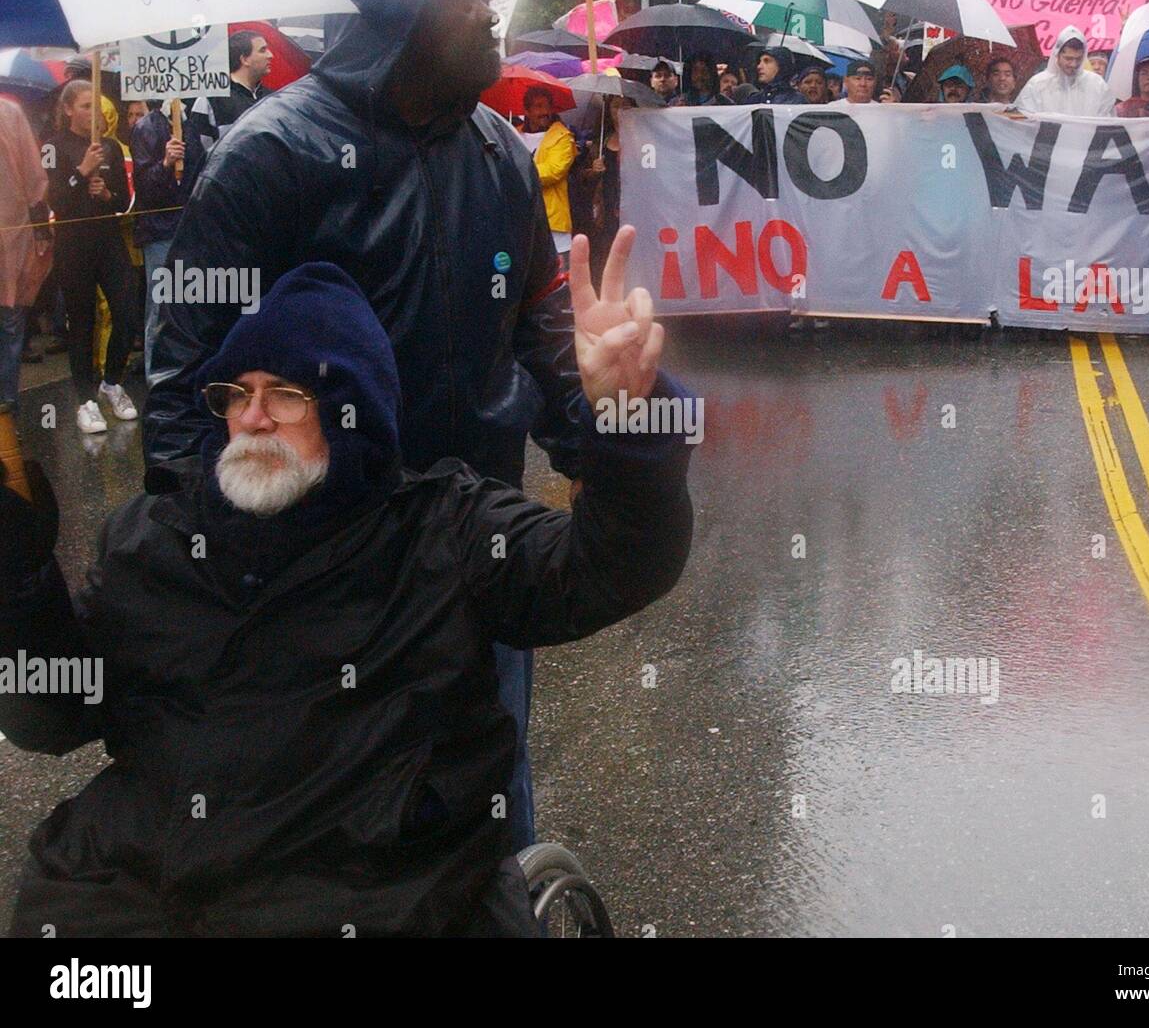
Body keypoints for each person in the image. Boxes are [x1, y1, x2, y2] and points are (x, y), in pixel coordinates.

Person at [0, 238, 695, 937]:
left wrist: (628, 419)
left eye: (287, 394)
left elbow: (610, 567)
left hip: (368, 897)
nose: (253, 415)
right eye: (236, 392)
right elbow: (49, 717)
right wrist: (17, 576)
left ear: (350, 412)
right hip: (131, 898)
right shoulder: (151, 537)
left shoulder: (443, 530)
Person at [146, 0, 591, 858]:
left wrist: (617, 443)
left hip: (476, 550)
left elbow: (549, 345)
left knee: (487, 818)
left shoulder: (500, 154)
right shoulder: (270, 154)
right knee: (333, 843)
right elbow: (180, 387)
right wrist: (230, 563)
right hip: (322, 575)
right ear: (402, 1)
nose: (491, 11)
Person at [45, 80, 138, 434]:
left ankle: (112, 382)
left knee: (127, 312)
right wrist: (81, 172)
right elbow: (55, 200)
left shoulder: (111, 147)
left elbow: (123, 201)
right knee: (82, 322)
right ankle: (86, 399)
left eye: (95, 106)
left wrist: (107, 194)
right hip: (73, 244)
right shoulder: (53, 146)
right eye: (85, 106)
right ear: (68, 109)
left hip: (108, 240)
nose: (92, 113)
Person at [130, 101, 196, 380]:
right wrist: (167, 163)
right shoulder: (145, 127)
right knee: (159, 308)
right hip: (159, 232)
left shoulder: (193, 124)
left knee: (188, 304)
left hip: (189, 227)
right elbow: (144, 188)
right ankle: (155, 379)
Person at [0, 97, 52, 408]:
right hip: (10, 240)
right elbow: (35, 180)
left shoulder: (9, 113)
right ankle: (6, 410)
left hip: (11, 237)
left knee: (10, 322)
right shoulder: (10, 113)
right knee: (9, 323)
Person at [187, 29, 273, 164]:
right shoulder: (211, 99)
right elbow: (199, 155)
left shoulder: (273, 99)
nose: (270, 55)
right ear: (244, 59)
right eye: (263, 50)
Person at [573, 95, 633, 278]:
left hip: (632, 206)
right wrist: (594, 170)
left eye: (625, 106)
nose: (620, 111)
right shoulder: (601, 142)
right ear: (609, 111)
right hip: (605, 207)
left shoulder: (641, 139)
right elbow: (583, 178)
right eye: (616, 107)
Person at [519, 85, 577, 267]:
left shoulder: (563, 137)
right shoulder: (513, 134)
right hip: (523, 222)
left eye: (547, 106)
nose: (544, 112)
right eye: (537, 106)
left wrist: (517, 171)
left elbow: (553, 171)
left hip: (554, 225)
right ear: (527, 111)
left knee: (558, 283)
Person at [1015, 26, 1116, 116]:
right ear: (1057, 55)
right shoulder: (1038, 84)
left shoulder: (1097, 84)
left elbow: (1108, 122)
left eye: (1078, 59)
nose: (1073, 64)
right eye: (1068, 59)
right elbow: (1024, 121)